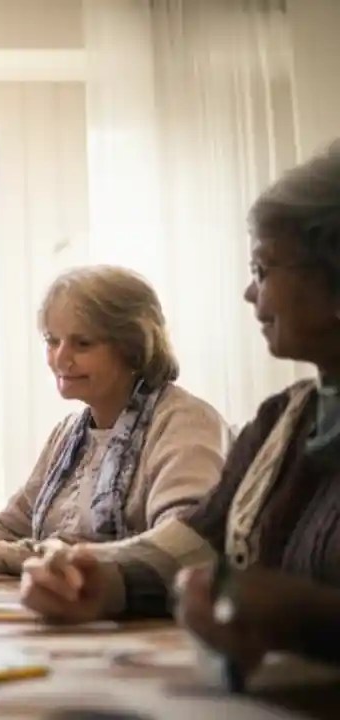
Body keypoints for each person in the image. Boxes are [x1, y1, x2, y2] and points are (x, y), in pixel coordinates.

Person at [20, 142, 340, 676]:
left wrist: (312, 619)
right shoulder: (282, 420)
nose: (247, 292)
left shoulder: (187, 419)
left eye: (262, 268)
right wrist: (103, 579)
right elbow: (194, 542)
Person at [0, 266, 227, 575]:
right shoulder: (68, 433)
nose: (60, 358)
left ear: (134, 347)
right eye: (52, 341)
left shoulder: (185, 423)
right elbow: (8, 529)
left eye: (83, 344)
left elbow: (182, 551)